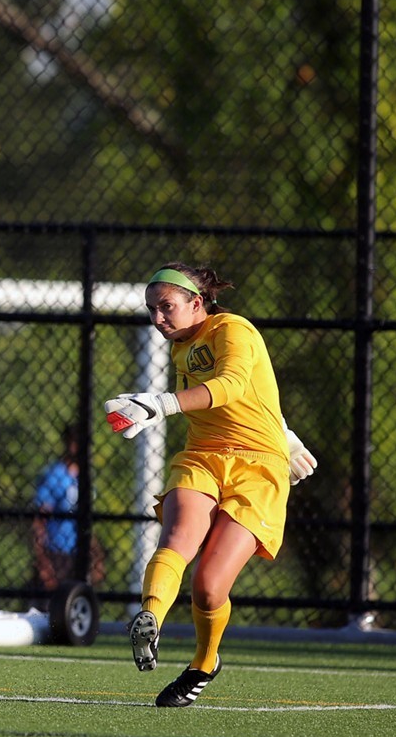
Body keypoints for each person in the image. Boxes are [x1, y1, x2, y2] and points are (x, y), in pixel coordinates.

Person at [105, 263, 317, 707]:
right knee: (178, 538)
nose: (158, 318)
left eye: (167, 307)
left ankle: (204, 663)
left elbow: (235, 385)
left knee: (208, 586)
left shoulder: (233, 328)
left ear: (197, 302)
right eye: (151, 310)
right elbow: (242, 400)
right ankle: (149, 617)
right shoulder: (182, 346)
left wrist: (161, 404)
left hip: (257, 468)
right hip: (202, 456)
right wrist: (286, 430)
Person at [30, 424, 103, 589]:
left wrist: (97, 555)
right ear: (68, 443)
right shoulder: (55, 475)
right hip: (56, 553)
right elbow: (40, 522)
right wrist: (43, 562)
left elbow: (87, 521)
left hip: (81, 553)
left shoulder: (86, 478)